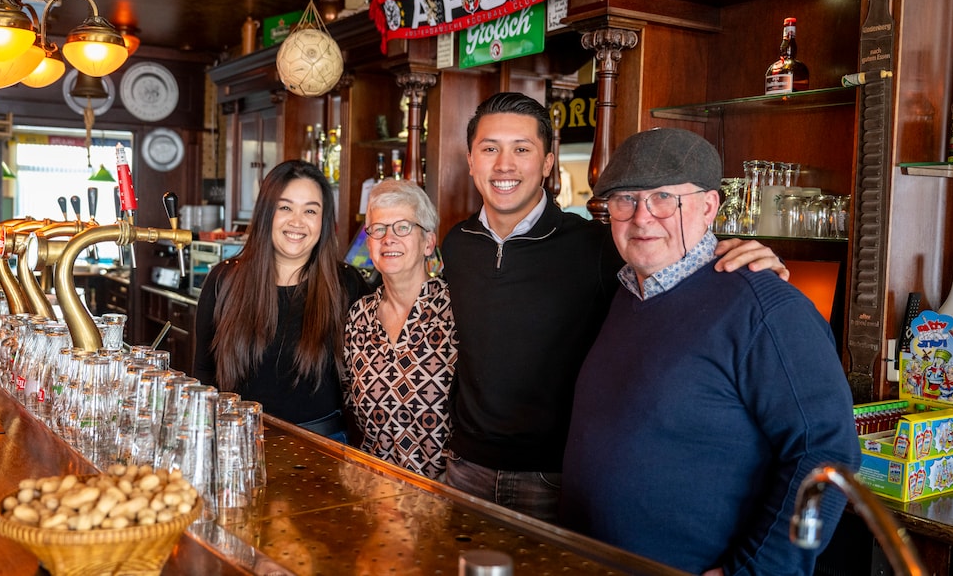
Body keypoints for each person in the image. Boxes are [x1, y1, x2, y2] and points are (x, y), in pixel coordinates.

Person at [440, 92, 789, 523]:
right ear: (470, 161)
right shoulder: (456, 244)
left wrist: (741, 257)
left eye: (522, 150)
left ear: (547, 163)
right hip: (465, 466)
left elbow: (673, 272)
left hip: (556, 477)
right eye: (490, 149)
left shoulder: (598, 246)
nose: (504, 165)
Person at [559, 127, 859, 575]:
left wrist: (758, 571)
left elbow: (827, 454)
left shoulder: (767, 307)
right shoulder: (627, 291)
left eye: (664, 198)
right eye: (625, 199)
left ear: (709, 206)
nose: (642, 217)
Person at [192, 160, 370, 443]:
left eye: (310, 210)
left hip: (322, 448)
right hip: (237, 443)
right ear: (266, 213)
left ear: (323, 222)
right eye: (285, 207)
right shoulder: (223, 280)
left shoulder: (346, 284)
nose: (297, 221)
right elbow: (204, 373)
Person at [343, 179, 456, 478]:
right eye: (378, 229)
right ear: (368, 243)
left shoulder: (456, 311)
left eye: (403, 227)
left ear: (428, 243)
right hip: (373, 489)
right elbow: (349, 407)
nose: (388, 238)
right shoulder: (359, 317)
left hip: (445, 492)